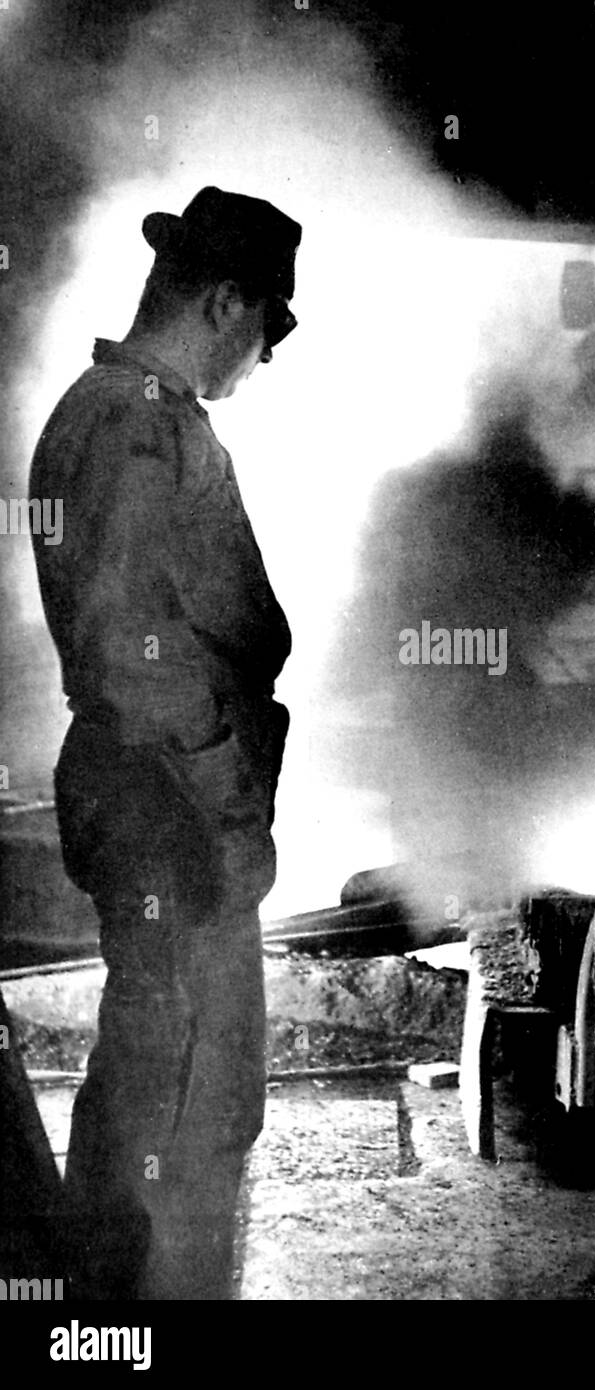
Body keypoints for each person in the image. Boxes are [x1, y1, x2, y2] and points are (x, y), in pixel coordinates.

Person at [28, 186, 301, 1300]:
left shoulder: (112, 413)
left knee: (176, 1091)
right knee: (182, 1105)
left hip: (159, 813)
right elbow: (135, 652)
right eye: (270, 324)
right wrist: (231, 820)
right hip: (172, 822)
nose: (267, 356)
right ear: (225, 300)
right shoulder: (140, 424)